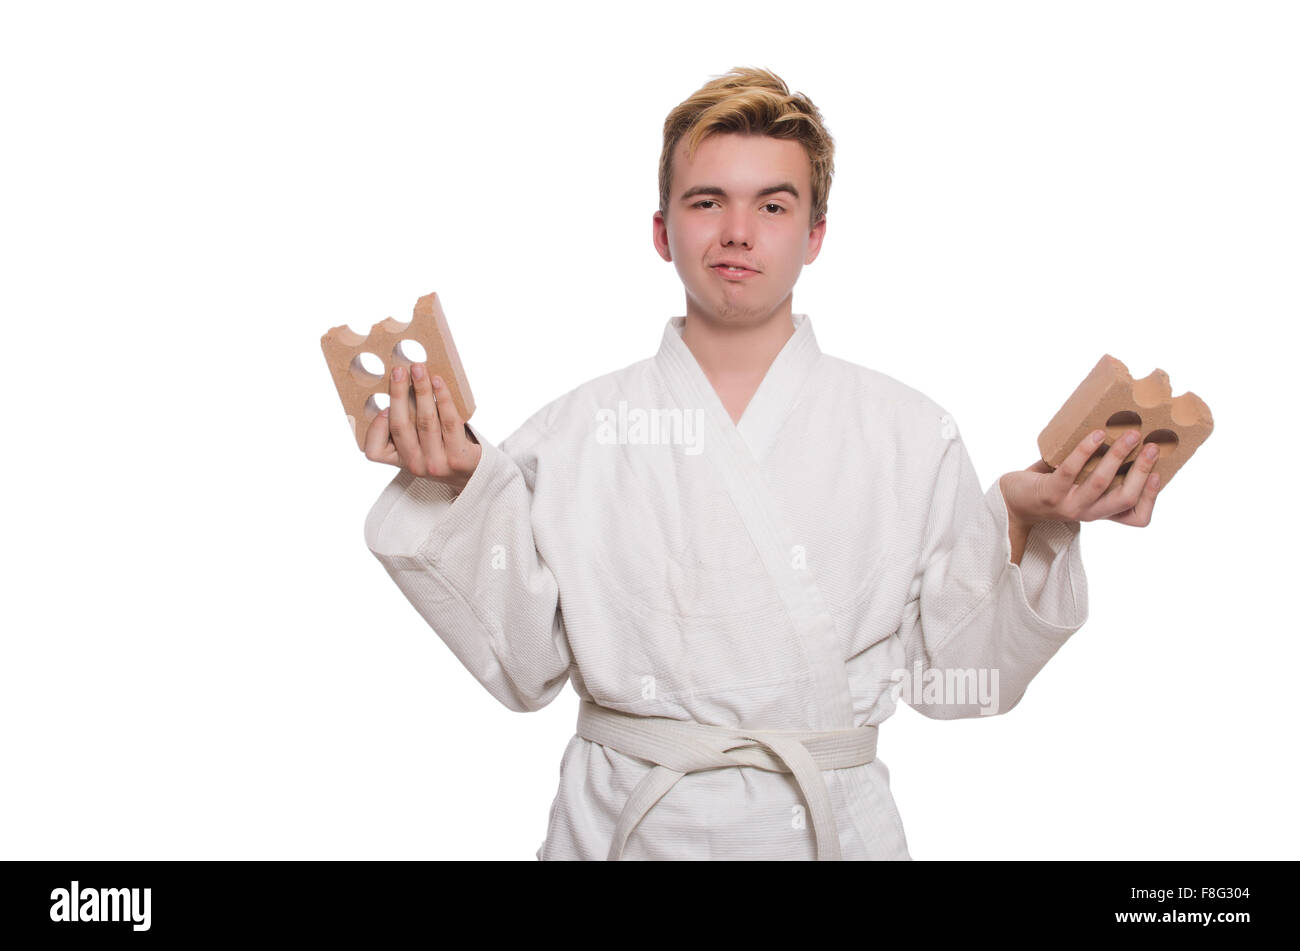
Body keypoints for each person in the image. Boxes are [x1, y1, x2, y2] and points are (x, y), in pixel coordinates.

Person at [359, 66, 1165, 860]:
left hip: (826, 831)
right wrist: (459, 485)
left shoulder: (909, 432)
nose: (737, 231)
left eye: (772, 205)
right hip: (620, 825)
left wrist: (1023, 521)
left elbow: (956, 679)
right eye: (706, 201)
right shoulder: (568, 434)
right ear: (660, 228)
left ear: (815, 234)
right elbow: (523, 669)